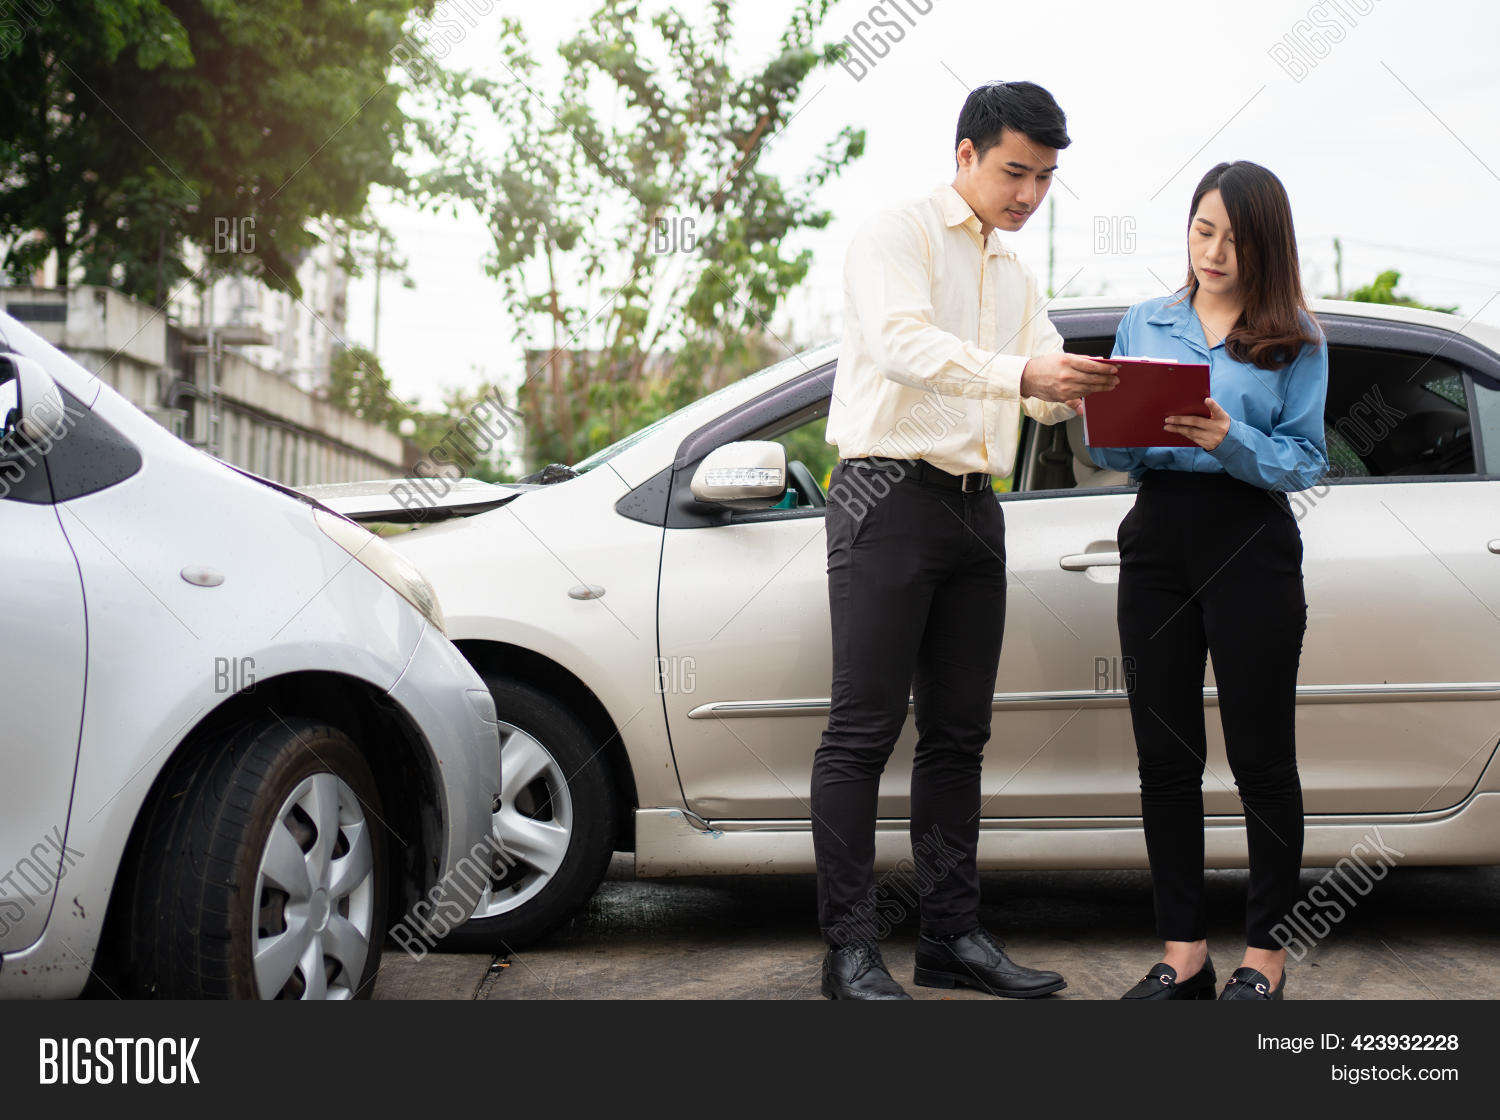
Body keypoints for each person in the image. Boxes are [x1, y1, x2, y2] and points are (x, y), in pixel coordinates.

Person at [813, 81, 1119, 1000]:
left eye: (1046, 178)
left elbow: (1031, 386)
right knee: (861, 731)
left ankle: (950, 937)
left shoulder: (1018, 275)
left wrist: (1084, 388)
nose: (1029, 194)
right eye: (1015, 171)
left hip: (975, 504)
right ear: (965, 156)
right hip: (884, 491)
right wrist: (1020, 370)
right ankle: (850, 951)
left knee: (957, 738)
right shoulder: (894, 236)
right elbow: (905, 345)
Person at [1088, 161, 1328, 1001]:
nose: (1217, 251)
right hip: (1156, 540)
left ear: (1268, 245)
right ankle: (1183, 953)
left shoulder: (1294, 335)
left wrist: (1230, 438)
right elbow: (1113, 453)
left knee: (1262, 760)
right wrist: (1109, 420)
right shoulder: (1144, 321)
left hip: (1250, 541)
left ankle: (1265, 956)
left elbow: (1305, 461)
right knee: (1166, 760)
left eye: (1237, 236)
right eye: (1203, 230)